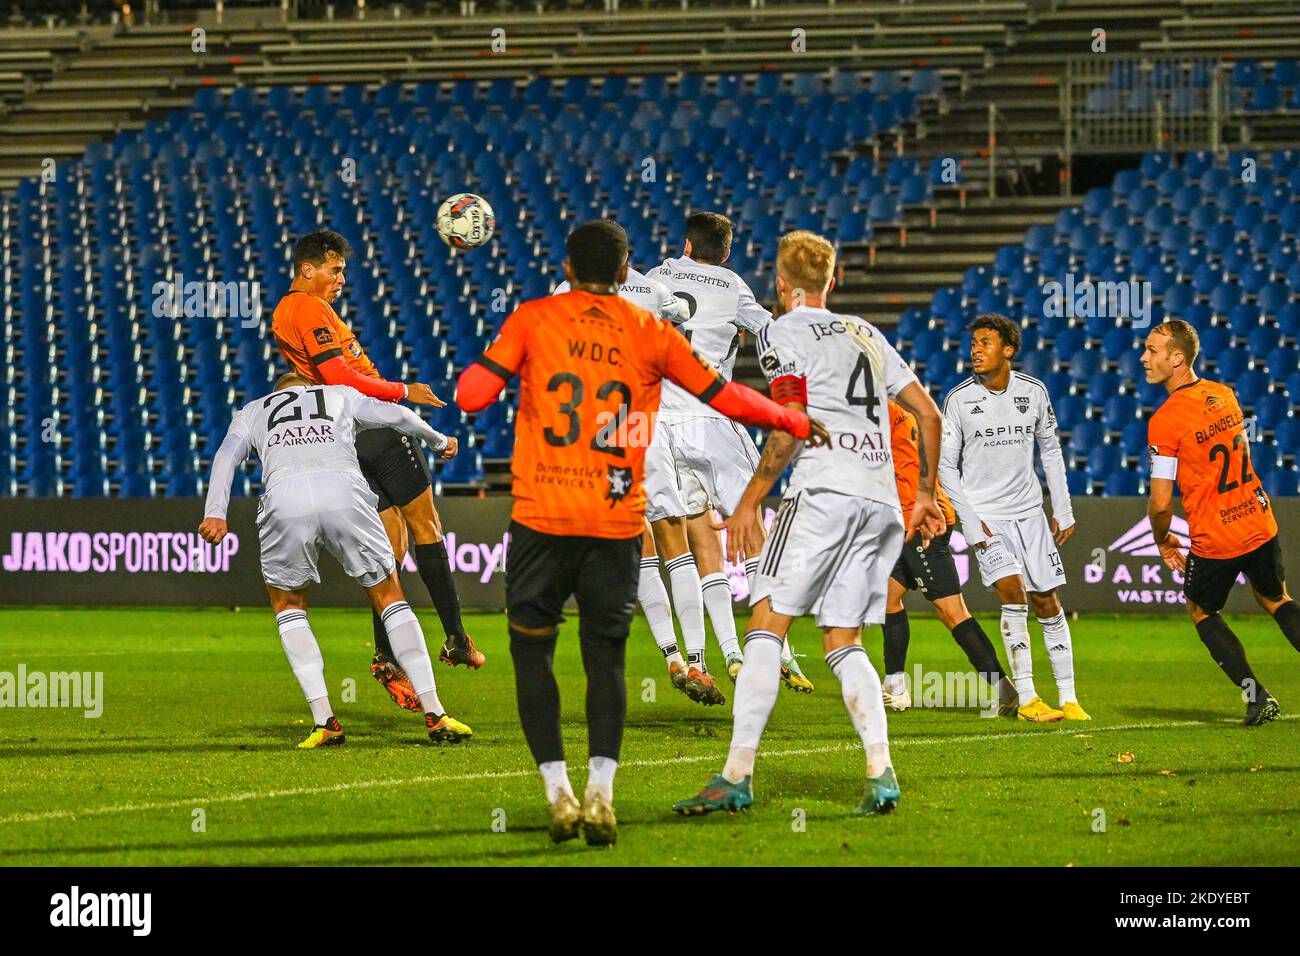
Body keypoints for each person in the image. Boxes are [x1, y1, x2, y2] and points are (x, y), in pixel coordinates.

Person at [456, 220, 826, 846]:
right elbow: (727, 395)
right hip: (613, 519)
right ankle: (601, 793)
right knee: (606, 658)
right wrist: (788, 415)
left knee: (534, 656)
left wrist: (513, 363)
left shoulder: (532, 319)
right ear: (628, 271)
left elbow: (470, 396)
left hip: (542, 516)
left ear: (567, 268)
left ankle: (557, 792)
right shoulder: (650, 330)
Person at [673, 230, 945, 818]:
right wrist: (924, 492)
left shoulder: (780, 331)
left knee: (767, 626)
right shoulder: (867, 334)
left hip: (823, 493)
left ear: (779, 283)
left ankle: (735, 776)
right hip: (880, 504)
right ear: (833, 280)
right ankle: (881, 774)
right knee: (842, 641)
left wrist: (748, 503)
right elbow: (927, 411)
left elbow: (791, 419)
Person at [270, 230, 484, 718]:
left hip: (342, 434)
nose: (342, 279)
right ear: (308, 270)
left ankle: (388, 659)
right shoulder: (307, 308)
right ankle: (455, 637)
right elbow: (341, 377)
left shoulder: (291, 312)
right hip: (370, 428)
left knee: (392, 547)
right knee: (426, 525)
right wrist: (403, 390)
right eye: (335, 269)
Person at [198, 373, 472, 747]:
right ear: (308, 387)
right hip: (345, 491)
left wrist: (216, 512)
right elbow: (398, 417)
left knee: (289, 605)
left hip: (285, 498)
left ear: (277, 391)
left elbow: (226, 456)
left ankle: (324, 720)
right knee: (389, 594)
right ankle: (436, 714)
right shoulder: (339, 394)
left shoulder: (252, 410)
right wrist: (440, 441)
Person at [642, 211, 813, 703]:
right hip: (712, 418)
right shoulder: (734, 285)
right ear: (726, 252)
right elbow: (768, 332)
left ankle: (690, 656)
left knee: (675, 532)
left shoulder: (657, 277)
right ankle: (775, 646)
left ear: (686, 246)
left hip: (658, 423)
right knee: (753, 529)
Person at [1143, 320, 1297, 725]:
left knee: (1201, 610)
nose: (1144, 357)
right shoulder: (1223, 394)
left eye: (1152, 350)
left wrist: (1163, 539)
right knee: (1276, 599)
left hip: (1217, 535)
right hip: (1258, 518)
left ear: (1177, 358)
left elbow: (1160, 504)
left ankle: (1256, 696)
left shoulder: (1165, 419)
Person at [938, 314, 1089, 723]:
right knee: (1012, 592)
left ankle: (1069, 697)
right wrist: (970, 522)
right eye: (973, 343)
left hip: (1030, 514)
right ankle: (1026, 698)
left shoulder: (1034, 392)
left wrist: (1062, 508)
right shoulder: (958, 400)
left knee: (1047, 600)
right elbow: (945, 467)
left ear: (1008, 350)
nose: (975, 350)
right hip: (987, 518)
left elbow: (1051, 452)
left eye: (985, 342)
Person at [880, 400, 1017, 716]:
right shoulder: (896, 413)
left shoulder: (882, 415)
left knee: (952, 611)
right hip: (908, 517)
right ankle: (895, 686)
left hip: (918, 519)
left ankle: (1004, 690)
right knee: (888, 598)